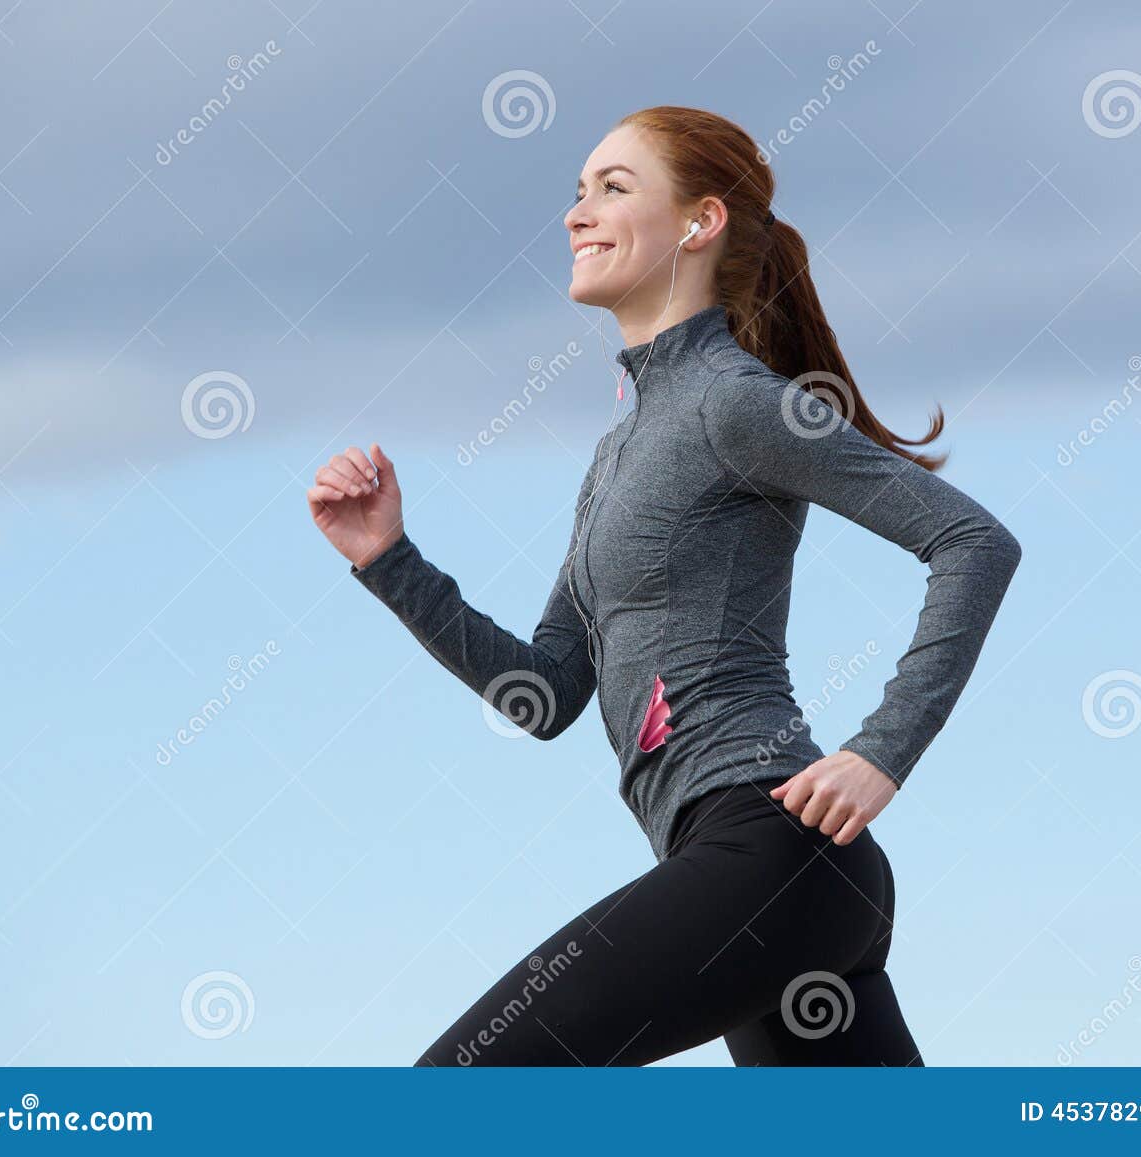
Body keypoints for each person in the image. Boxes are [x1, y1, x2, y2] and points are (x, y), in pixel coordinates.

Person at [306, 106, 1022, 1065]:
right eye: (578, 191)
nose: (577, 212)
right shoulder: (617, 454)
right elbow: (547, 693)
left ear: (700, 222)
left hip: (770, 852)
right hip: (763, 878)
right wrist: (389, 559)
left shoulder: (738, 403)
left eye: (613, 187)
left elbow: (974, 541)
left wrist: (880, 752)